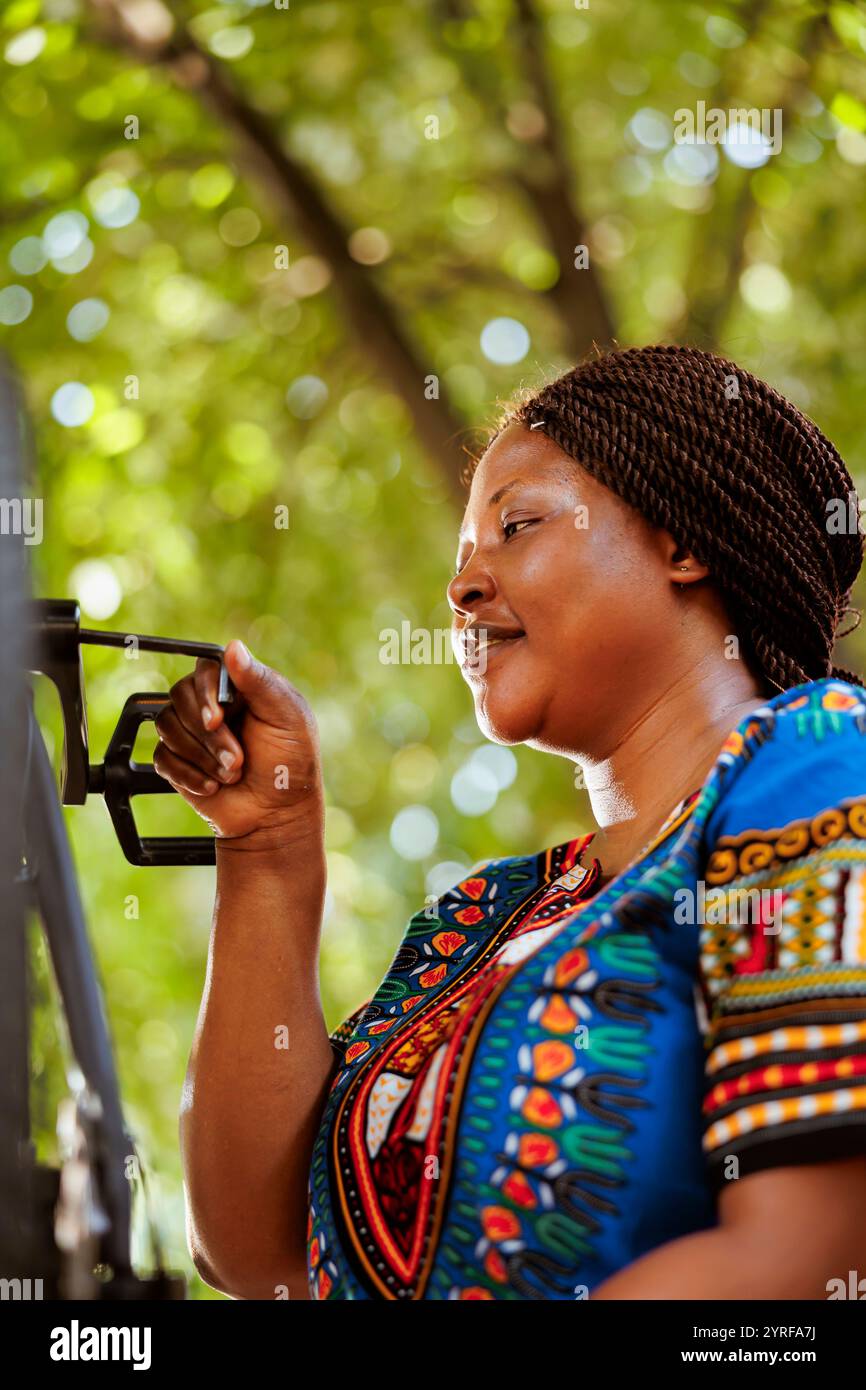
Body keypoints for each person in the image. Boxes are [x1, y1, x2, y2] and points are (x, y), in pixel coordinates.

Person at [165, 344, 866, 1301]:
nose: (462, 590)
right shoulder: (483, 918)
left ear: (682, 543)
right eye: (461, 561)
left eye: (518, 526)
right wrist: (266, 849)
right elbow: (259, 1255)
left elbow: (809, 1266)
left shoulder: (820, 770)